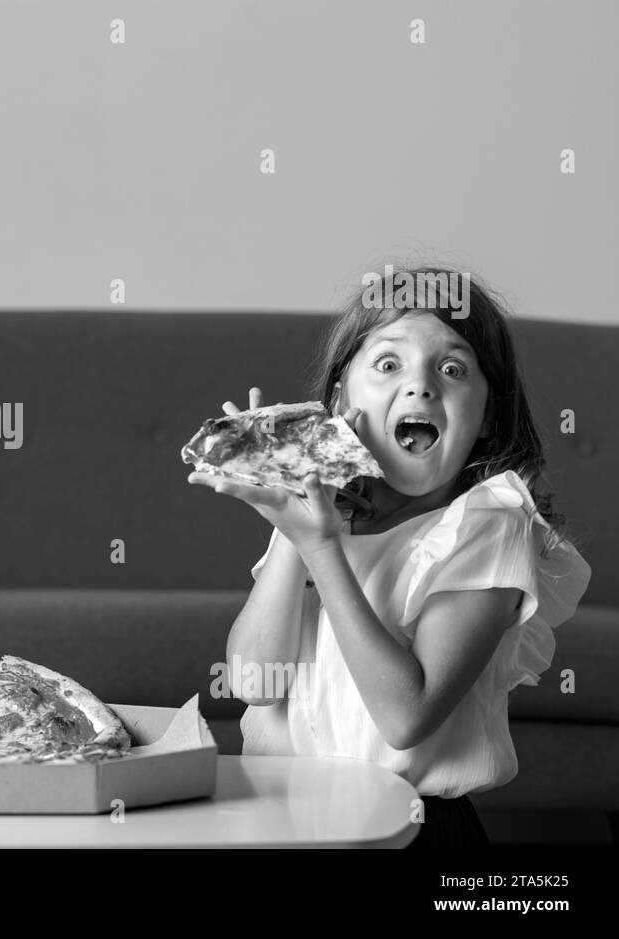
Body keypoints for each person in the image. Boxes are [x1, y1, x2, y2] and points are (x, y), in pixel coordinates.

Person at [189, 267, 591, 848]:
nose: (420, 386)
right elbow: (253, 681)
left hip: (408, 832)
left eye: (452, 369)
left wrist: (321, 549)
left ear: (488, 420)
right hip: (279, 821)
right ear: (338, 404)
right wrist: (292, 515)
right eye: (387, 364)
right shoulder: (320, 515)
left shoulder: (489, 523)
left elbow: (407, 718)